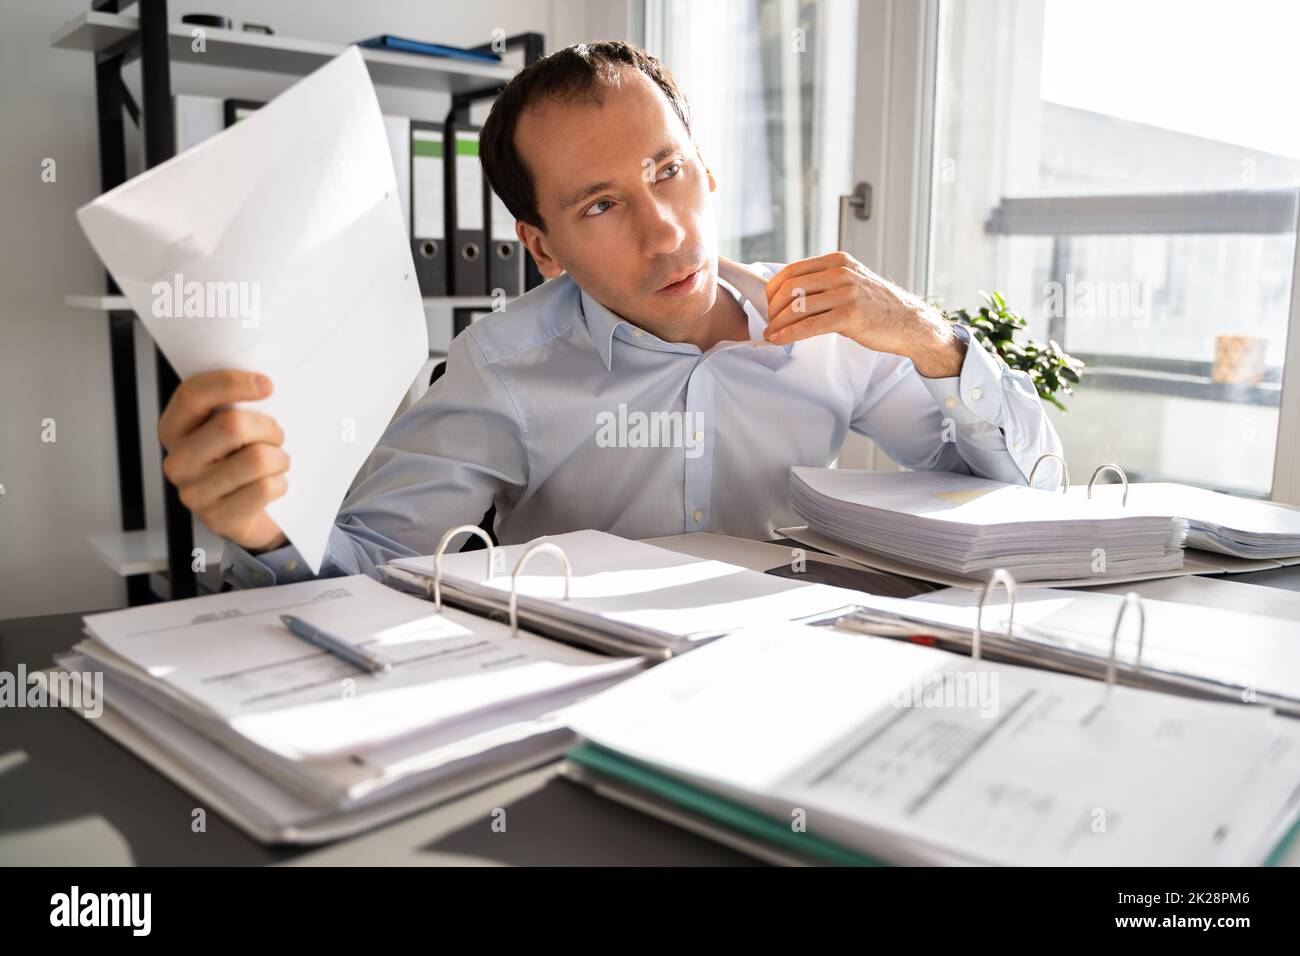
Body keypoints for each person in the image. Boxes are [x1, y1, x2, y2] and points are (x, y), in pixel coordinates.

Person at [155, 40, 1063, 588]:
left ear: (708, 171)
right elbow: (368, 570)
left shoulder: (829, 324)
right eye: (599, 206)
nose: (665, 234)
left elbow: (1024, 500)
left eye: (668, 172)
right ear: (543, 247)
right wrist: (268, 530)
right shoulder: (505, 365)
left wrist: (931, 340)